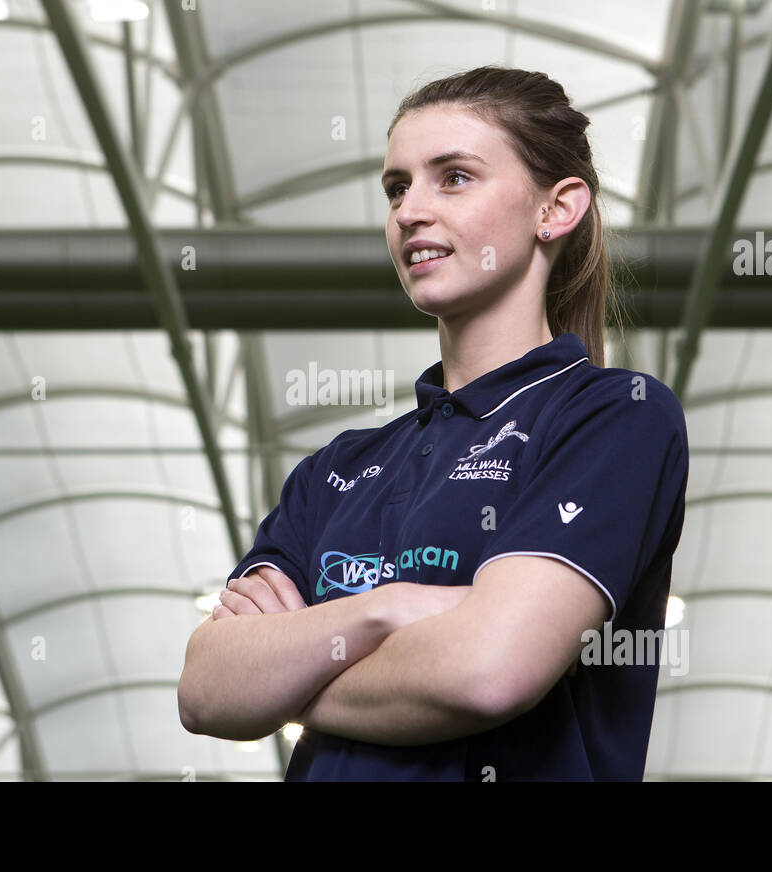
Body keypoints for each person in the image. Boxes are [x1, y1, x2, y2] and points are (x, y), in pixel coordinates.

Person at [177, 65, 689, 781]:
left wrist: (290, 672)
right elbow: (206, 689)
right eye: (397, 187)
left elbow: (489, 670)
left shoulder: (612, 419)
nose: (409, 210)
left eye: (453, 177)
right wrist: (390, 611)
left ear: (557, 208)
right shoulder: (336, 470)